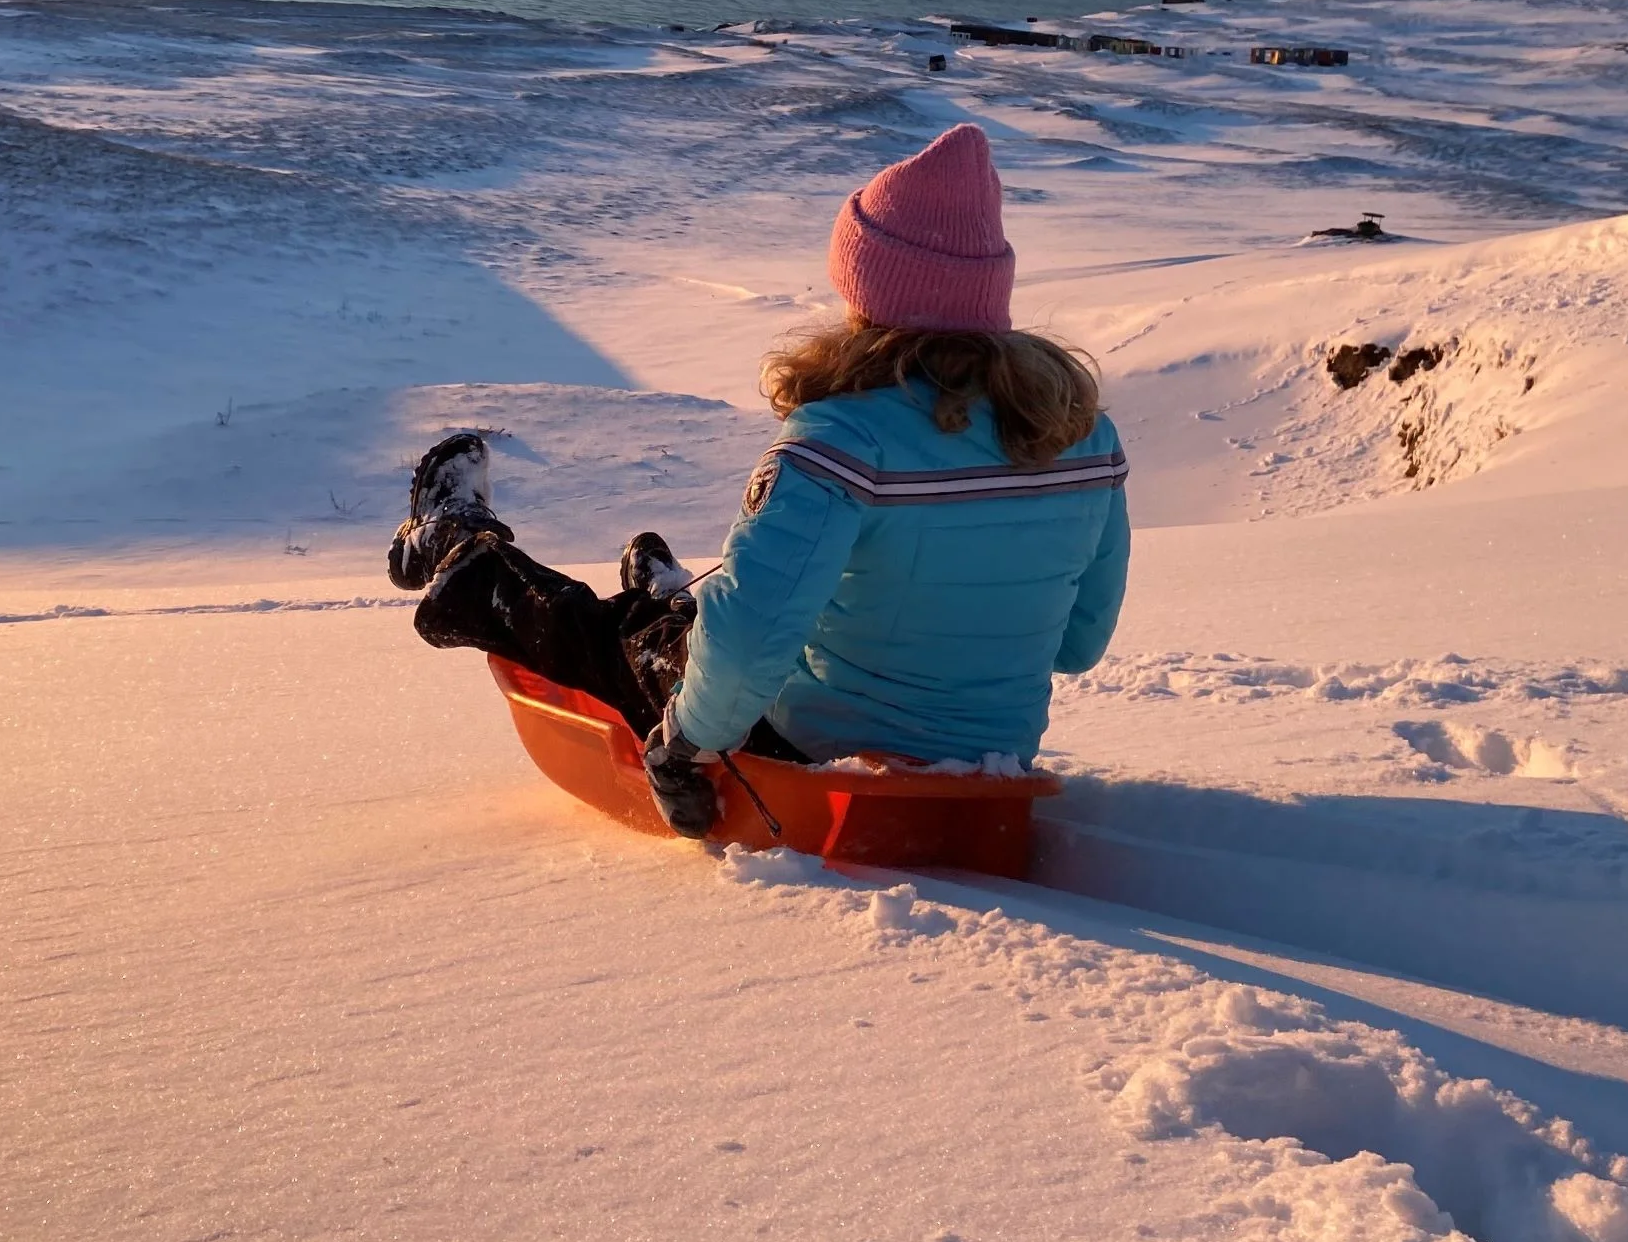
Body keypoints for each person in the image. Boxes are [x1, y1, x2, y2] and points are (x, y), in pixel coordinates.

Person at [387, 123, 1129, 836]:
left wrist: (685, 744)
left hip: (814, 759)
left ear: (868, 291)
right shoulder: (1083, 435)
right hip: (989, 766)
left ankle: (462, 555)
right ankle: (671, 598)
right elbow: (1078, 643)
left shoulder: (842, 439)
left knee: (604, 634)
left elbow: (752, 634)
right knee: (699, 625)